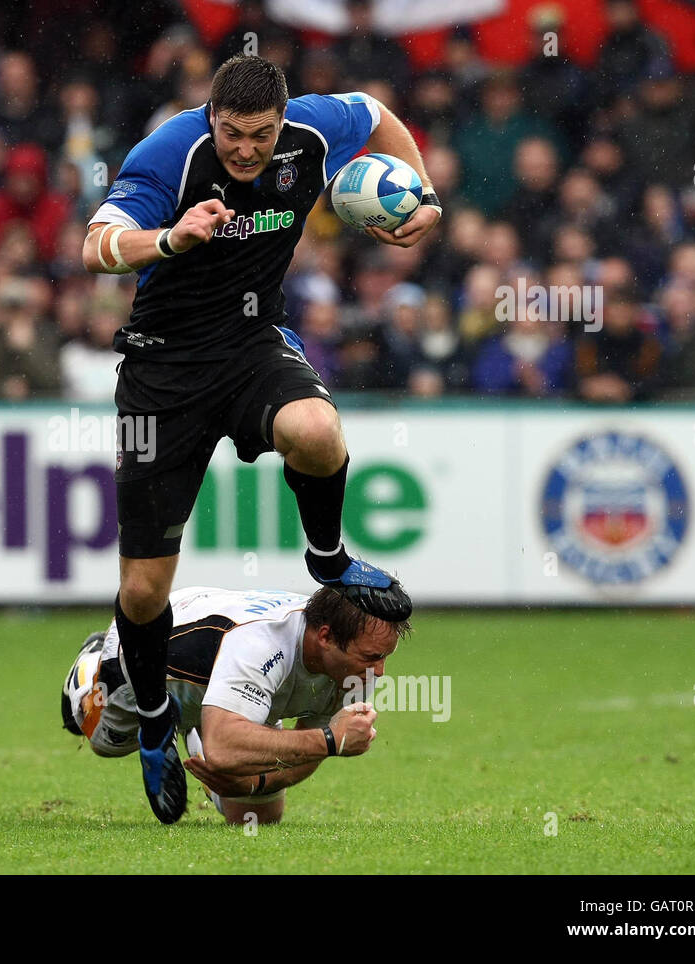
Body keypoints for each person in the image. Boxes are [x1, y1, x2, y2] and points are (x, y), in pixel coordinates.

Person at [82, 55, 430, 823]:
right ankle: (148, 724)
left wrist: (424, 195)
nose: (247, 151)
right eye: (234, 135)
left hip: (250, 345)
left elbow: (374, 111)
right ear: (212, 119)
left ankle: (328, 557)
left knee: (317, 429)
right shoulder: (168, 155)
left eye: (261, 136)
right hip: (162, 371)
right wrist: (170, 238)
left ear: (281, 122)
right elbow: (96, 246)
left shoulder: (311, 128)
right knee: (144, 590)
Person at [60, 585, 411, 824]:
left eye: (385, 658)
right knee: (104, 742)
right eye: (372, 657)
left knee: (256, 817)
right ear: (325, 637)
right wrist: (331, 741)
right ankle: (89, 665)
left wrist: (251, 785)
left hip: (231, 692)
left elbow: (305, 751)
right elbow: (229, 749)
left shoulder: (357, 665)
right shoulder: (263, 645)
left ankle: (203, 726)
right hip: (143, 654)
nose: (379, 672)